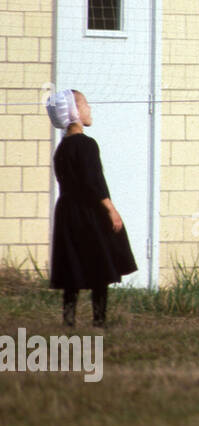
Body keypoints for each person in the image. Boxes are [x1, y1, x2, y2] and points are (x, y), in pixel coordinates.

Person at [47, 89, 137, 327]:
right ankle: (99, 319)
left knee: (73, 266)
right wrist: (110, 208)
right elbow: (94, 179)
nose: (90, 109)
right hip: (89, 211)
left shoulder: (62, 147)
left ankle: (69, 320)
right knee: (100, 263)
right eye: (85, 105)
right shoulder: (87, 144)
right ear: (74, 112)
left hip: (67, 211)